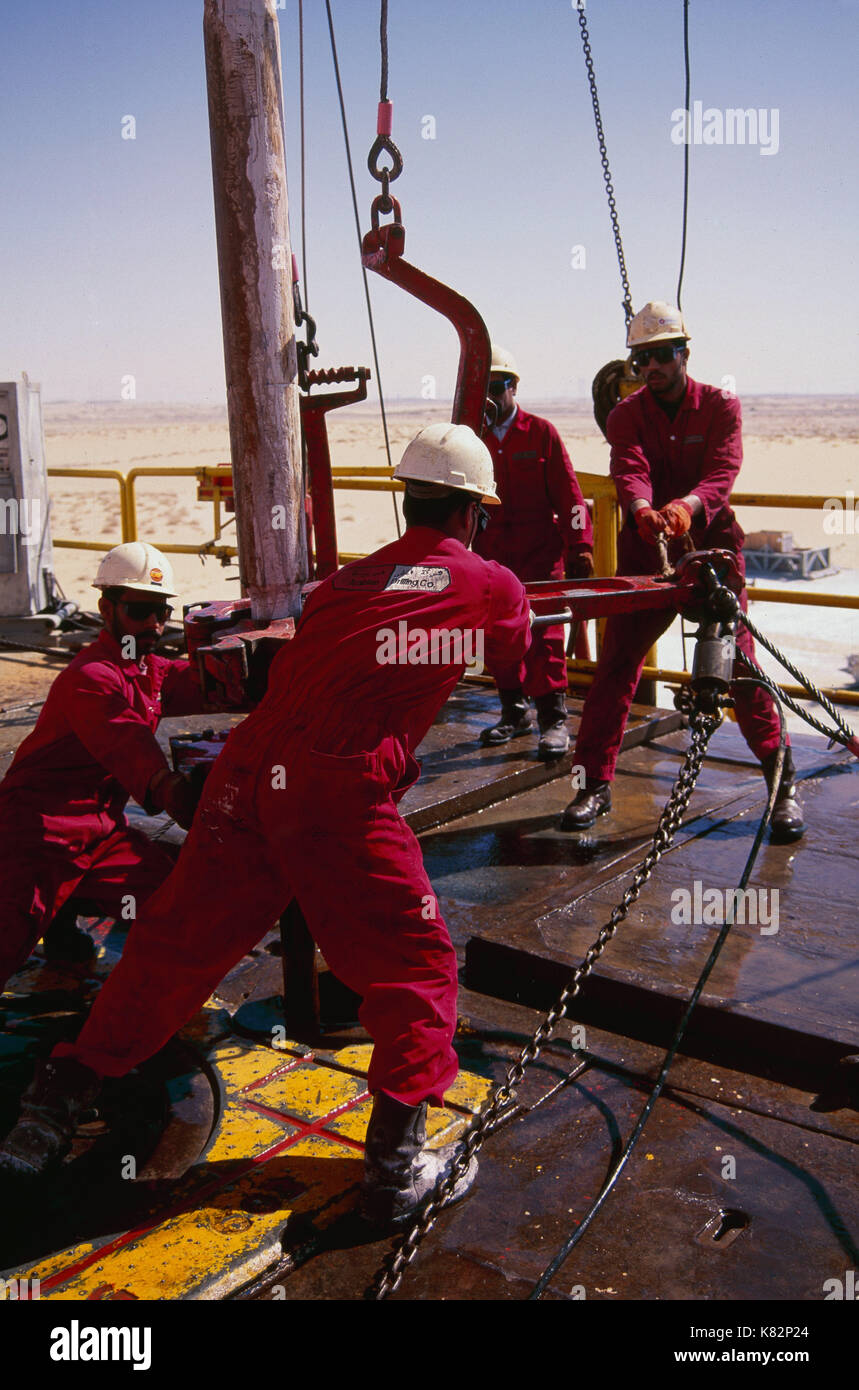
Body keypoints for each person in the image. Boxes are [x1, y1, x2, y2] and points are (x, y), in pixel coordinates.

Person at [0, 425, 532, 1230]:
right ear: (473, 513)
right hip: (334, 787)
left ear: (407, 497)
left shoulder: (348, 583)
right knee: (413, 968)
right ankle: (395, 1171)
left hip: (244, 777)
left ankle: (50, 1108)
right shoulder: (480, 577)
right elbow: (513, 646)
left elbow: (334, 648)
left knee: (172, 948)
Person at [562, 302, 804, 842]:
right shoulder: (627, 416)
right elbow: (630, 469)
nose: (652, 366)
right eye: (642, 357)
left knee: (741, 671)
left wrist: (687, 508)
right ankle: (592, 784)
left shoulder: (721, 407)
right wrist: (644, 510)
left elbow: (723, 470)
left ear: (684, 354)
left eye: (662, 355)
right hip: (648, 555)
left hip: (713, 554)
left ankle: (783, 784)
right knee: (617, 666)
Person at [0, 543, 206, 992]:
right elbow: (131, 748)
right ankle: (54, 917)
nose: (153, 624)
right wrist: (175, 791)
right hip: (36, 835)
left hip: (98, 834)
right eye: (139, 610)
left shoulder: (148, 671)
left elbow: (208, 685)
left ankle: (63, 919)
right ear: (105, 609)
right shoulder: (91, 677)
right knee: (8, 940)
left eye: (161, 612)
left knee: (167, 900)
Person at [474, 345, 594, 759]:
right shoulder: (473, 438)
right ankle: (514, 712)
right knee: (499, 635)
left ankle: (553, 720)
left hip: (540, 553)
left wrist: (581, 545)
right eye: (482, 389)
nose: (490, 397)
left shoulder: (541, 432)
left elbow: (571, 496)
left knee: (545, 634)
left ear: (513, 386)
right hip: (493, 556)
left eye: (496, 386)